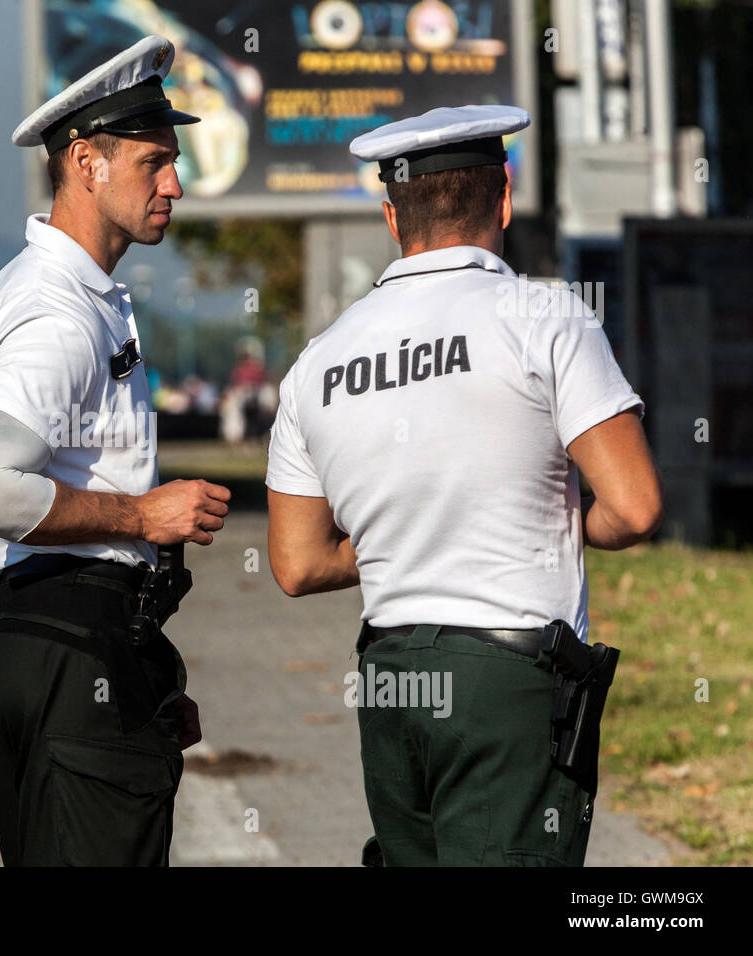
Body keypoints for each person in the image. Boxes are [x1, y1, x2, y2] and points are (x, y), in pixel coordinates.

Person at [265, 105, 662, 866]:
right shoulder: (545, 317)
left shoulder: (319, 360)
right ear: (503, 196)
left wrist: (405, 537)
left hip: (389, 680)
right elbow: (635, 505)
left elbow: (298, 564)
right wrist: (543, 517)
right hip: (504, 684)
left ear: (391, 216)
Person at [0, 35, 231, 866]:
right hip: (66, 636)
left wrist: (139, 671)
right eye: (154, 163)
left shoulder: (70, 292)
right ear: (86, 163)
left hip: (58, 637)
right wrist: (144, 513)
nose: (175, 185)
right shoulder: (58, 308)